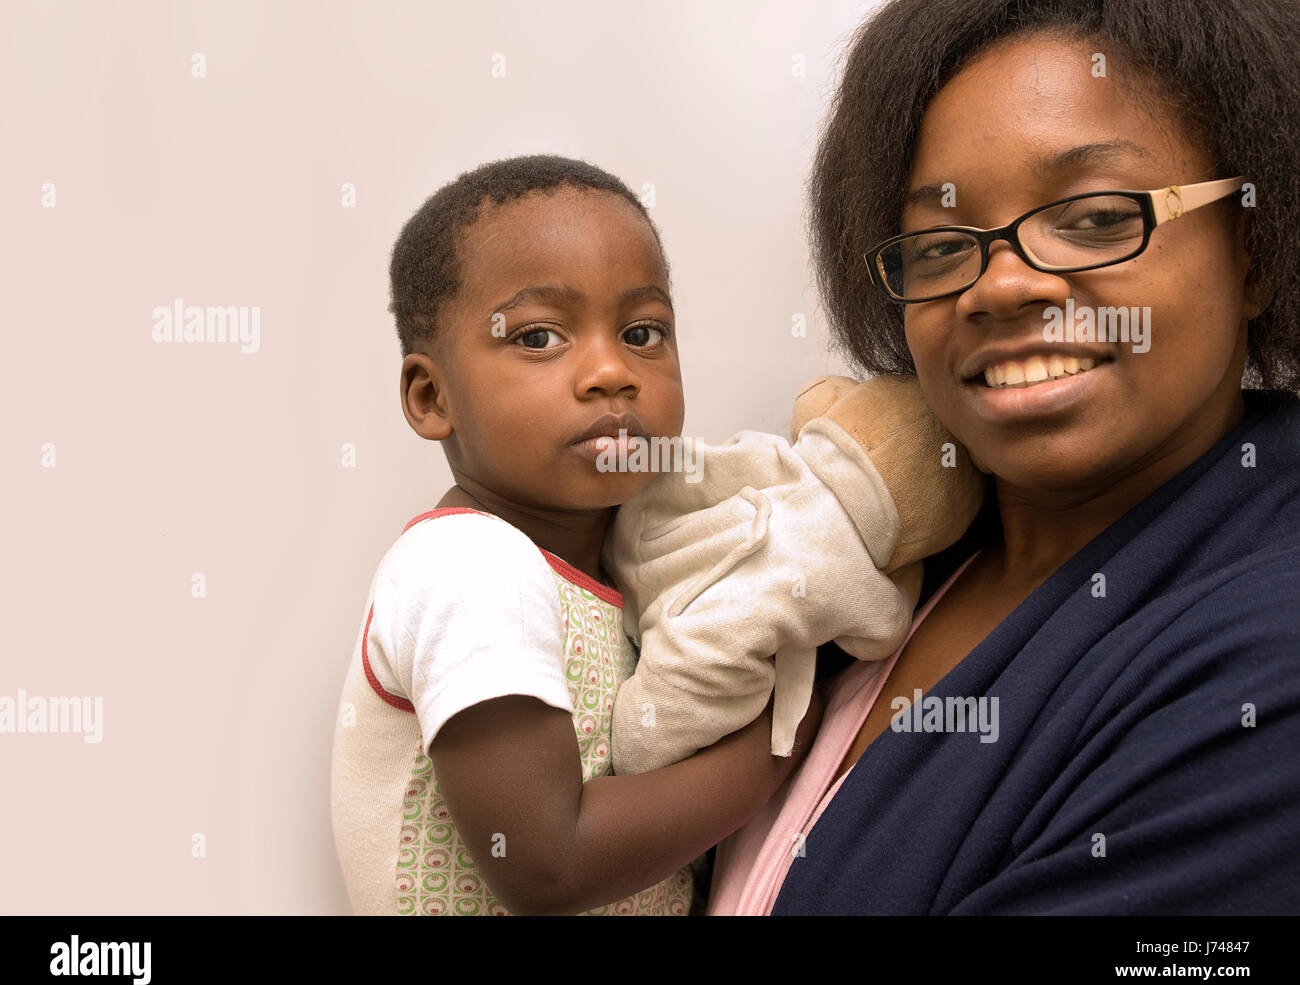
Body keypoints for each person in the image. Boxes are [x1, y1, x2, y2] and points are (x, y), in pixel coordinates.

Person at [711, 0, 1300, 914]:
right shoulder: (873, 543)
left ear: (1256, 248)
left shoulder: (1271, 657)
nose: (1001, 285)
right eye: (943, 244)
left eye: (1099, 218)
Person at [328, 154, 820, 916]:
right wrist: (780, 748)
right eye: (537, 338)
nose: (610, 371)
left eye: (643, 330)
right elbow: (551, 863)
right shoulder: (470, 565)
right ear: (432, 395)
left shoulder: (629, 573)